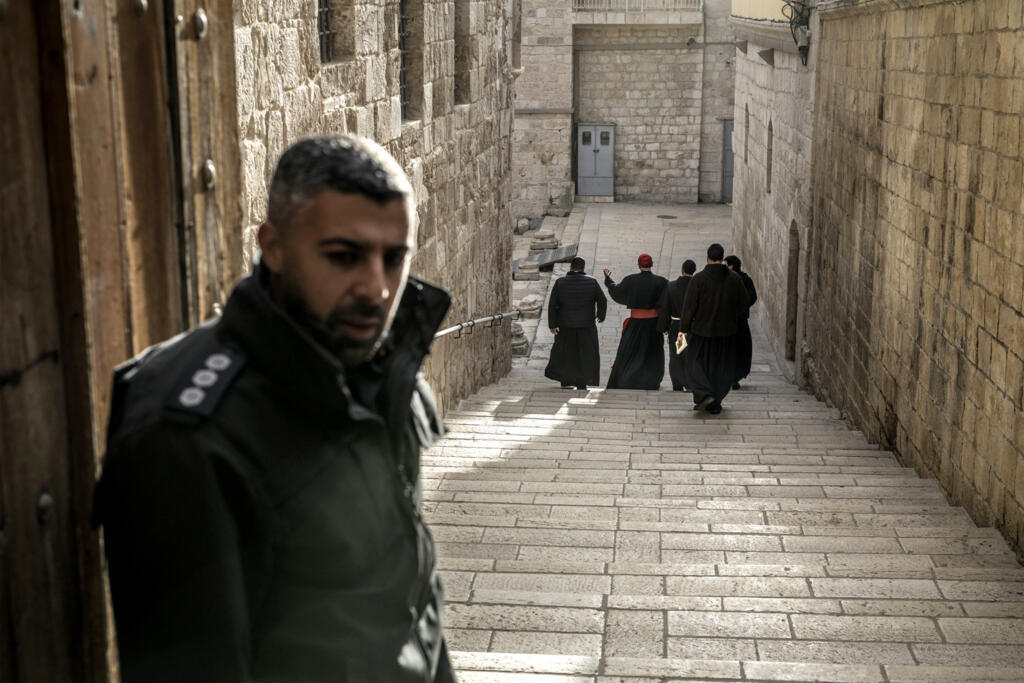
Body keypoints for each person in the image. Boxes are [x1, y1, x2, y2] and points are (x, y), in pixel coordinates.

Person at [93, 136, 457, 682]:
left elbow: (412, 601)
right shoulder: (186, 435)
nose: (378, 288)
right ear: (275, 245)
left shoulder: (373, 361)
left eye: (394, 257)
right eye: (344, 256)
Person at [679, 243, 749, 414]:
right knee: (721, 367)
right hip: (727, 332)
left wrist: (684, 328)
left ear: (708, 258)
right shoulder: (734, 279)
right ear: (722, 258)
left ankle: (704, 394)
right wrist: (730, 317)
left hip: (702, 331)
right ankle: (714, 401)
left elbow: (689, 307)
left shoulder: (698, 279)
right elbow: (744, 303)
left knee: (693, 362)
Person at [603, 254, 668, 390]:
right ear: (652, 264)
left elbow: (617, 292)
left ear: (638, 265)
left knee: (630, 351)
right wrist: (666, 324)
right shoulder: (661, 282)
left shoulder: (630, 280)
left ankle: (628, 379)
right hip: (653, 324)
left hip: (635, 323)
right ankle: (651, 381)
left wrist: (608, 280)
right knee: (652, 352)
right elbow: (665, 304)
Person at [545, 257, 607, 390]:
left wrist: (552, 324)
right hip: (586, 325)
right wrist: (600, 316)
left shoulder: (560, 282)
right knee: (585, 354)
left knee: (566, 354)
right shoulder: (592, 282)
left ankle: (566, 381)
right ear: (584, 268)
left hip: (565, 325)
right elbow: (602, 300)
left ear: (570, 268)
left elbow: (552, 305)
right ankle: (582, 382)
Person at [657, 258, 697, 391]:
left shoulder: (672, 286)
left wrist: (664, 327)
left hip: (678, 328)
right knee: (692, 355)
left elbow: (665, 308)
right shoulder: (698, 286)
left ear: (682, 270)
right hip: (694, 327)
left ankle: (678, 383)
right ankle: (691, 383)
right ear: (694, 271)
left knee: (677, 354)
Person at [725, 254, 758, 389]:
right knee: (740, 349)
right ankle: (735, 377)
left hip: (729, 321)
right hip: (741, 320)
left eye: (725, 264)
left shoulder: (727, 279)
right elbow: (752, 297)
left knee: (730, 349)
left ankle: (729, 376)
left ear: (731, 266)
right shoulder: (746, 279)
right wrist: (743, 308)